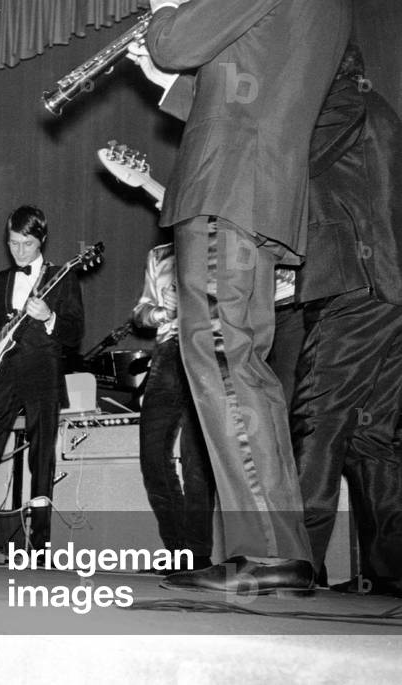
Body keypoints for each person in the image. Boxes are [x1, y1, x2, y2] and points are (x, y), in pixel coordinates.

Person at [127, 0, 351, 594]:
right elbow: (253, 89)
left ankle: (268, 551)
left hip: (226, 187)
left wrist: (165, 9)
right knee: (242, 366)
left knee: (224, 361)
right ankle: (278, 550)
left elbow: (173, 40)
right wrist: (170, 83)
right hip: (254, 185)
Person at [291, 44, 402, 597]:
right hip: (391, 293)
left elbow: (287, 158)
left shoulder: (339, 99)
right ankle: (389, 573)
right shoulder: (378, 105)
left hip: (356, 289)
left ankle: (296, 566)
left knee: (318, 419)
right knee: (373, 439)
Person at [0, 205, 84, 562]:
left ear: (41, 239)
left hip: (43, 373)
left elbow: (74, 333)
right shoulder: (1, 280)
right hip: (3, 376)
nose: (19, 251)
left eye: (26, 244)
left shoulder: (63, 277)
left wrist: (50, 318)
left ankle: (41, 547)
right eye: (13, 243)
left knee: (41, 460)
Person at [132, 243, 214, 572]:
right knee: (152, 455)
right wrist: (161, 313)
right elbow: (140, 312)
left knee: (196, 459)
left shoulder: (218, 244)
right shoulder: (159, 255)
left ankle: (196, 554)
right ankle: (178, 551)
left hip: (207, 347)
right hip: (167, 352)